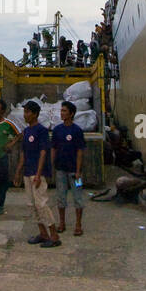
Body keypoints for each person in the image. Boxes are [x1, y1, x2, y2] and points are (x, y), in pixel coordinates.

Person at [17, 101, 60, 247]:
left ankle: (54, 236)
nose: (25, 115)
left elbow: (43, 152)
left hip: (36, 173)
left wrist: (38, 173)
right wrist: (18, 171)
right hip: (28, 171)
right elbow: (23, 152)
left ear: (35, 114)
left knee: (41, 203)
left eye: (28, 112)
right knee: (32, 204)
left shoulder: (41, 131)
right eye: (24, 112)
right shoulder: (27, 131)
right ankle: (42, 233)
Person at [52, 100, 86, 237]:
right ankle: (62, 223)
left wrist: (78, 171)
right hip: (60, 169)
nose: (62, 113)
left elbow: (80, 151)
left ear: (71, 114)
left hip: (76, 173)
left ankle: (78, 225)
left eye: (64, 111)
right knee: (61, 197)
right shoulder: (57, 130)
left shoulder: (77, 131)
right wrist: (52, 165)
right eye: (61, 111)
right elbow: (53, 148)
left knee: (78, 198)